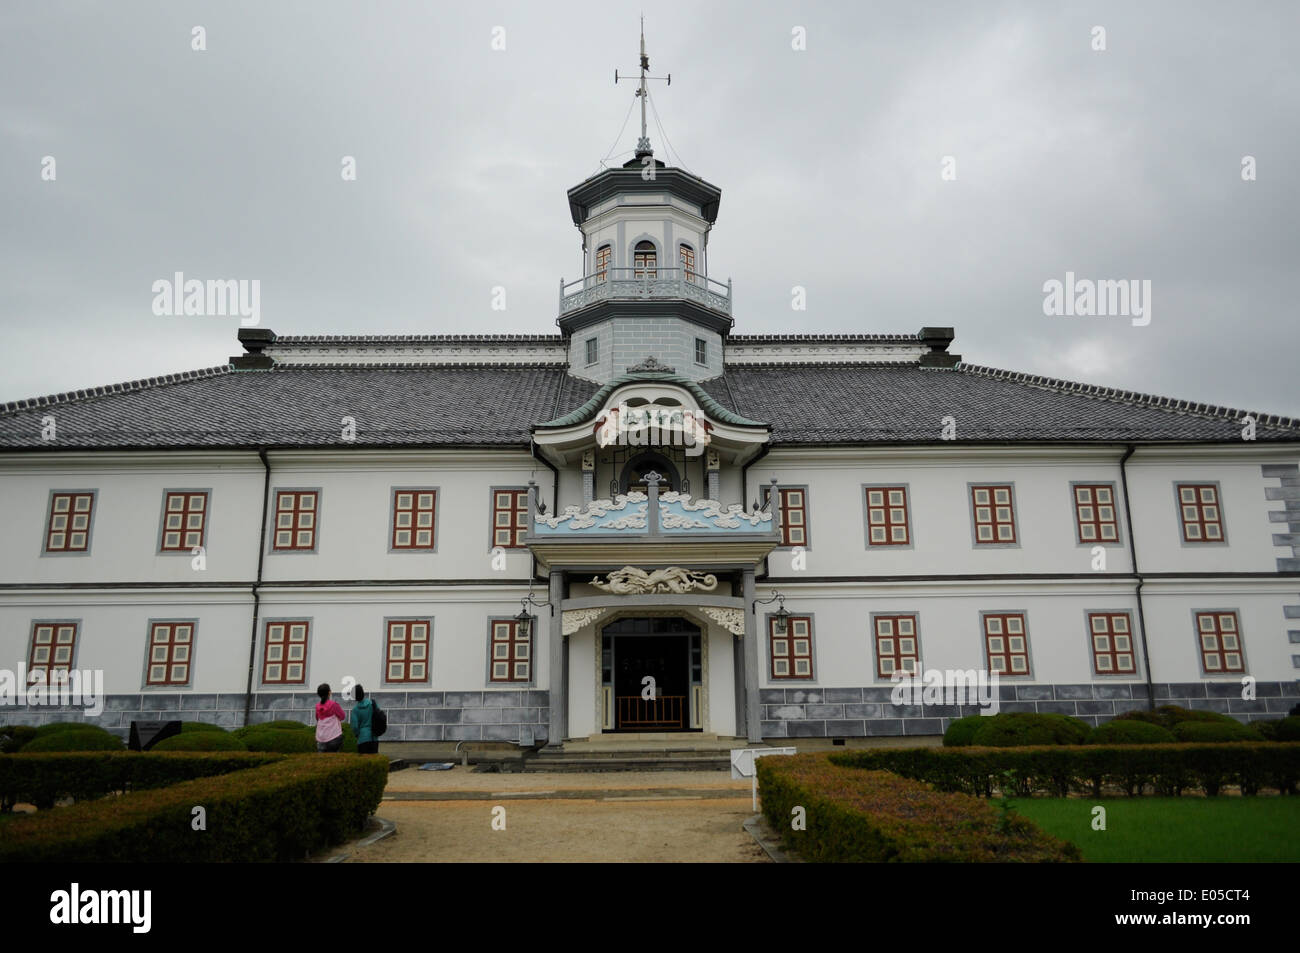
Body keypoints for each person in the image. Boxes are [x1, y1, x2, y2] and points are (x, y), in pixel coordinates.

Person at [314, 683, 346, 752]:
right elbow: (343, 716)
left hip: (320, 738)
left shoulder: (317, 706)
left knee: (321, 761)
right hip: (334, 736)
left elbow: (317, 718)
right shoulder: (334, 705)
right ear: (329, 692)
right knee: (334, 760)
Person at [350, 684, 379, 754]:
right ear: (363, 692)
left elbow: (355, 727)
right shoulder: (372, 704)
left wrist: (357, 735)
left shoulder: (355, 710)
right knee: (374, 761)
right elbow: (378, 715)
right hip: (374, 737)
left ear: (354, 697)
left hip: (362, 739)